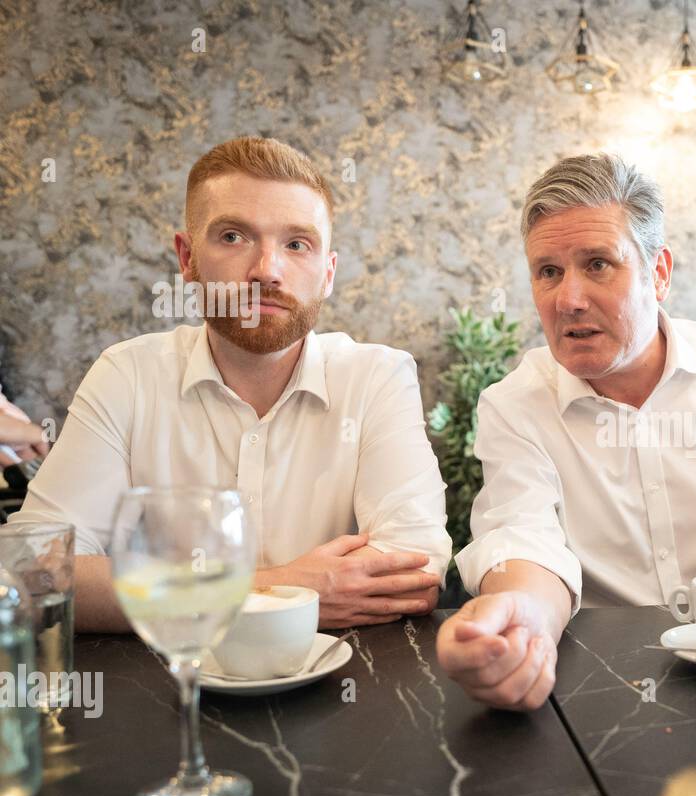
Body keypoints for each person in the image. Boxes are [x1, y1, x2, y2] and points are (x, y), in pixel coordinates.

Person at [436, 153, 696, 711]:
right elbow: (524, 538)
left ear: (659, 272)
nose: (569, 299)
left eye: (598, 264)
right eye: (548, 271)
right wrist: (524, 619)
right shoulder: (515, 404)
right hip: (600, 681)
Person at [10, 136, 452, 631]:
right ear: (187, 257)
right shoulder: (127, 376)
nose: (267, 271)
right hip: (165, 690)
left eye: (297, 244)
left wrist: (182, 598)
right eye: (234, 237)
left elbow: (415, 575)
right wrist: (276, 586)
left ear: (327, 274)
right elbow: (32, 569)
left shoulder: (377, 378)